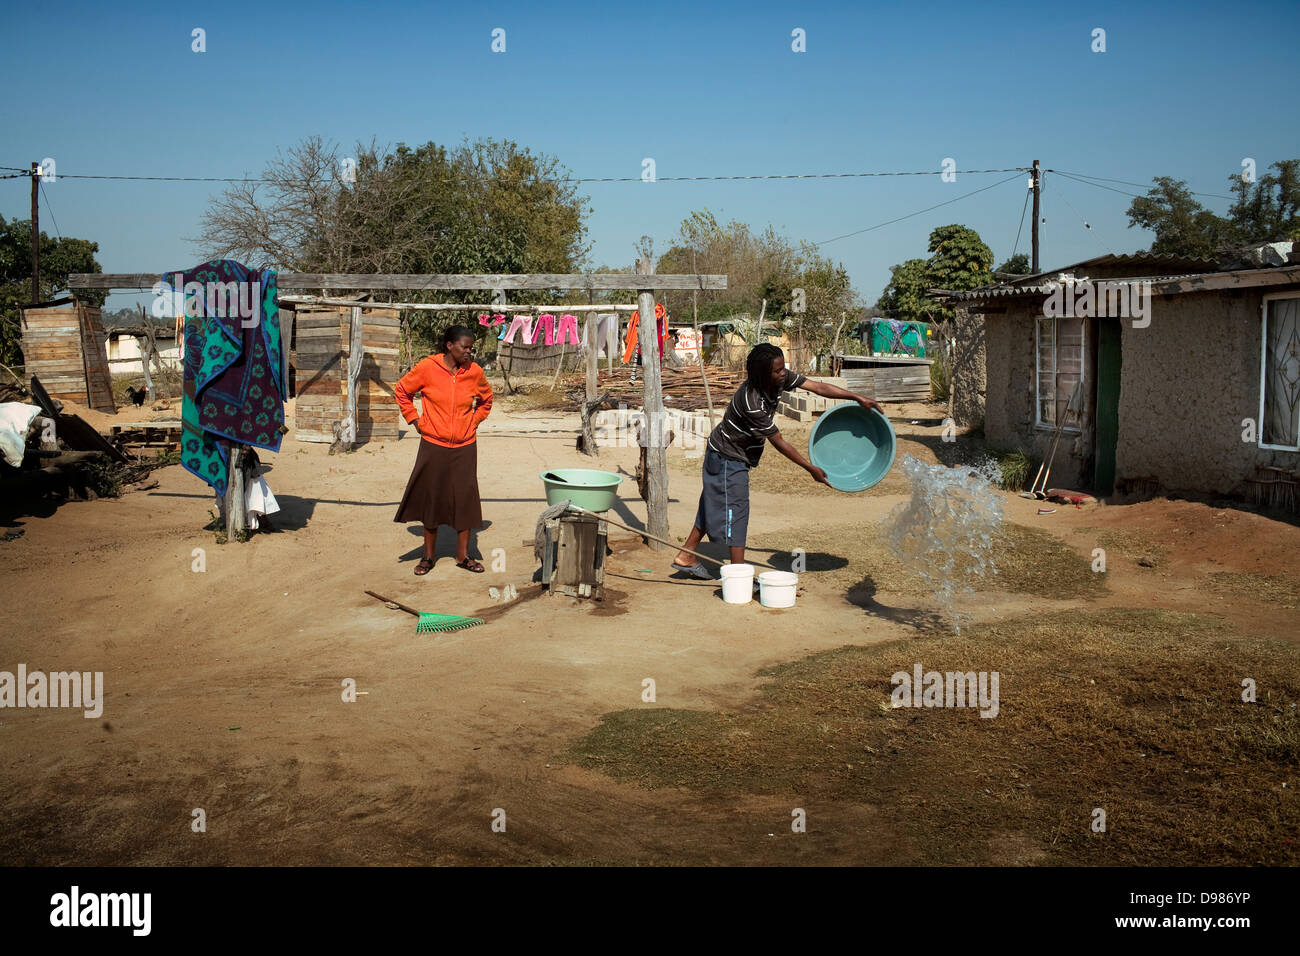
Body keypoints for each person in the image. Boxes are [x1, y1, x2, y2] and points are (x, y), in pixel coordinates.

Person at [671, 343, 881, 578]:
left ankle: (686, 554)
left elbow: (817, 386)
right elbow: (778, 441)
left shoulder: (778, 379)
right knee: (738, 511)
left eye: (783, 368)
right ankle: (739, 578)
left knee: (712, 503)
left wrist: (856, 397)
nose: (784, 373)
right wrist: (810, 468)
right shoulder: (751, 401)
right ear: (762, 374)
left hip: (727, 454)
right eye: (778, 370)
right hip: (726, 458)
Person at [394, 325, 494, 575]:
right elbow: (402, 391)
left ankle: (463, 555)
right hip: (434, 445)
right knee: (432, 498)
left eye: (471, 347)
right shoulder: (427, 368)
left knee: (465, 499)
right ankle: (428, 556)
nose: (469, 351)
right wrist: (415, 421)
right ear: (449, 346)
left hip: (465, 446)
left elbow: (487, 400)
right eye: (465, 347)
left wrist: (473, 421)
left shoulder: (475, 372)